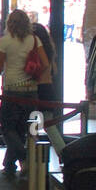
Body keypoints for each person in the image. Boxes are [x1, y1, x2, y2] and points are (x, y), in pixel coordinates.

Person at [0, 9, 38, 179]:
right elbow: (46, 63)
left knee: (7, 127)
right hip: (31, 91)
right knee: (20, 130)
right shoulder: (34, 40)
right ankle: (9, 165)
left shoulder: (5, 41)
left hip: (12, 90)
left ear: (9, 23)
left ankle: (24, 158)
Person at [31, 23, 68, 155]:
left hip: (38, 89)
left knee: (33, 125)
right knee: (48, 125)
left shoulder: (36, 49)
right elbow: (54, 71)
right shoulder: (50, 49)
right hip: (49, 89)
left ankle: (28, 159)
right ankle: (63, 155)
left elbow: (41, 68)